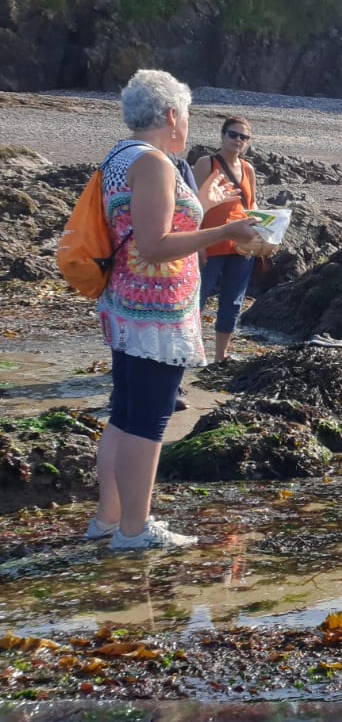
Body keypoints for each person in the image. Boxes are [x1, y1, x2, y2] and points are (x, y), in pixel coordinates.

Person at [87, 69, 259, 550]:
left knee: (124, 414)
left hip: (129, 305)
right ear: (170, 114)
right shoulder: (155, 163)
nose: (186, 122)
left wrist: (201, 206)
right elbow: (155, 243)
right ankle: (135, 530)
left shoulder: (123, 156)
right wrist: (227, 232)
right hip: (153, 313)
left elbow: (152, 225)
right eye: (185, 112)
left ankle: (109, 519)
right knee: (148, 419)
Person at [192, 116, 259, 364]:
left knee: (232, 302)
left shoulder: (248, 169)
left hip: (240, 248)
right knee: (197, 301)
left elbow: (252, 208)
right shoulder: (205, 163)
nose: (238, 140)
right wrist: (197, 245)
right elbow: (193, 207)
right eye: (233, 135)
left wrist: (260, 238)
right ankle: (192, 354)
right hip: (209, 244)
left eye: (243, 137)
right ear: (222, 136)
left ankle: (221, 356)